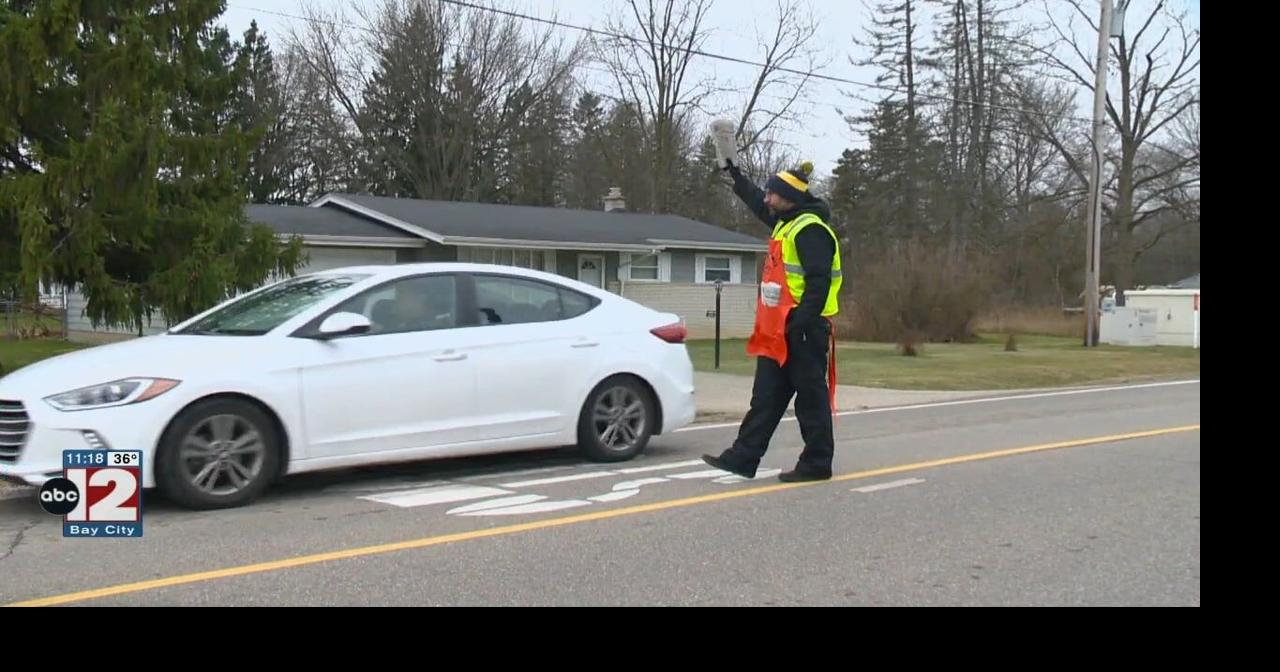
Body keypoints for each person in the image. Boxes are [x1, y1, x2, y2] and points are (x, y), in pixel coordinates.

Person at [702, 159, 843, 482]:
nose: (766, 199)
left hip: (802, 329)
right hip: (777, 329)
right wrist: (734, 174)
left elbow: (819, 282)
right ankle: (743, 457)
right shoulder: (786, 222)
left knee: (811, 400)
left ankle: (817, 463)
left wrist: (801, 324)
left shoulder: (810, 229)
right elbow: (755, 201)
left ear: (788, 197)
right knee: (765, 396)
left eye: (772, 194)